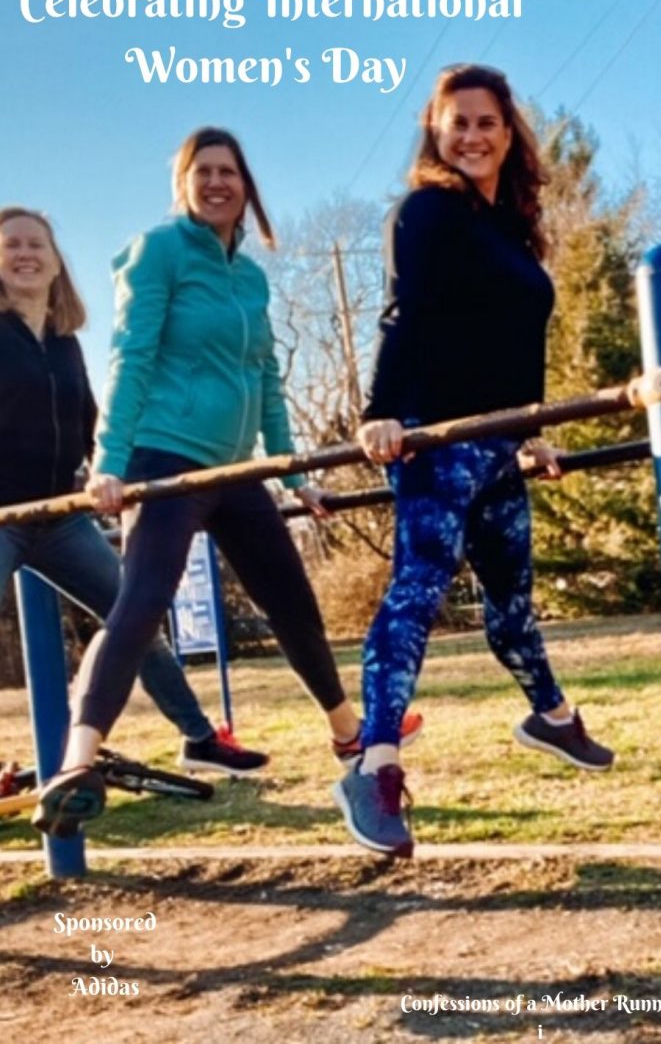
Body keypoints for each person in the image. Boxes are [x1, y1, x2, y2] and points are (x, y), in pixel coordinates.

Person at [33, 129, 420, 837]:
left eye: (228, 172)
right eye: (202, 172)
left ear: (246, 185)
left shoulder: (249, 276)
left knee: (290, 598)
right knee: (142, 601)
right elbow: (131, 356)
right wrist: (111, 458)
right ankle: (75, 764)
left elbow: (265, 376)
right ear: (183, 183)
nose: (217, 182)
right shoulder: (158, 252)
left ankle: (347, 734)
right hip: (163, 458)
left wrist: (291, 467)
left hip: (236, 467)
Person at [333, 64, 614, 859]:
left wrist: (530, 427)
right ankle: (373, 762)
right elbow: (405, 310)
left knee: (510, 597)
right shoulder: (428, 211)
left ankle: (550, 716)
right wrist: (380, 412)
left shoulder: (514, 228)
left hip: (497, 440)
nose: (472, 135)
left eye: (485, 121)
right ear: (435, 132)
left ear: (506, 131)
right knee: (419, 586)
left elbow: (520, 340)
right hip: (435, 433)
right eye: (456, 122)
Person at [0, 206, 268, 782]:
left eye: (36, 245)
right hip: (3, 516)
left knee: (134, 615)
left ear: (55, 263)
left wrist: (112, 468)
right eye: (10, 245)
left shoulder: (64, 342)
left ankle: (200, 739)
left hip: (61, 515)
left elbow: (93, 421)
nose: (24, 254)